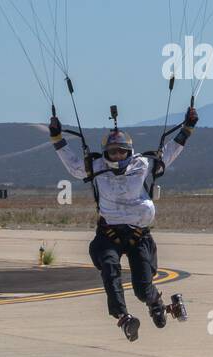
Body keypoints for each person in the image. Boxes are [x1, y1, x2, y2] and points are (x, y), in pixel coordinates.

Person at [48, 106, 198, 341]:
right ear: (105, 153)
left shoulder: (143, 165)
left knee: (141, 289)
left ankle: (155, 302)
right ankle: (123, 318)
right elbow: (73, 164)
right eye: (112, 152)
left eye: (121, 151)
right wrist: (56, 137)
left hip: (139, 236)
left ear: (129, 151)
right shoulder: (95, 167)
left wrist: (187, 128)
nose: (117, 155)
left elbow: (169, 153)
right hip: (109, 234)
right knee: (110, 269)